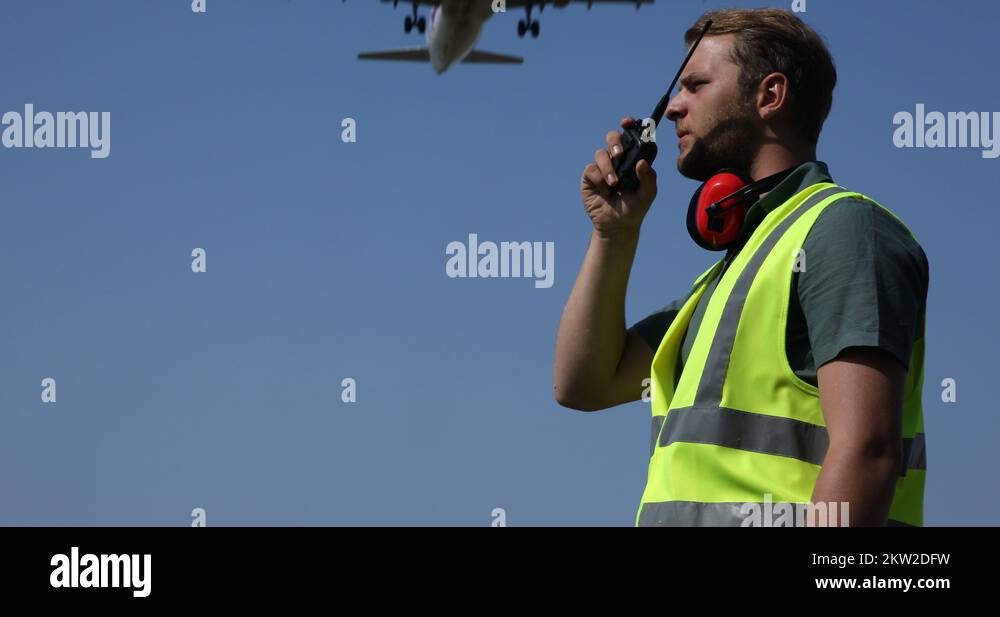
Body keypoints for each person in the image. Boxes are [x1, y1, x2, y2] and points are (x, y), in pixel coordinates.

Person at [553, 8, 929, 526]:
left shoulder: (843, 231)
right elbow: (581, 385)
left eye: (696, 85)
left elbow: (867, 452)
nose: (673, 107)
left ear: (770, 95)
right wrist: (613, 234)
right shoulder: (728, 277)